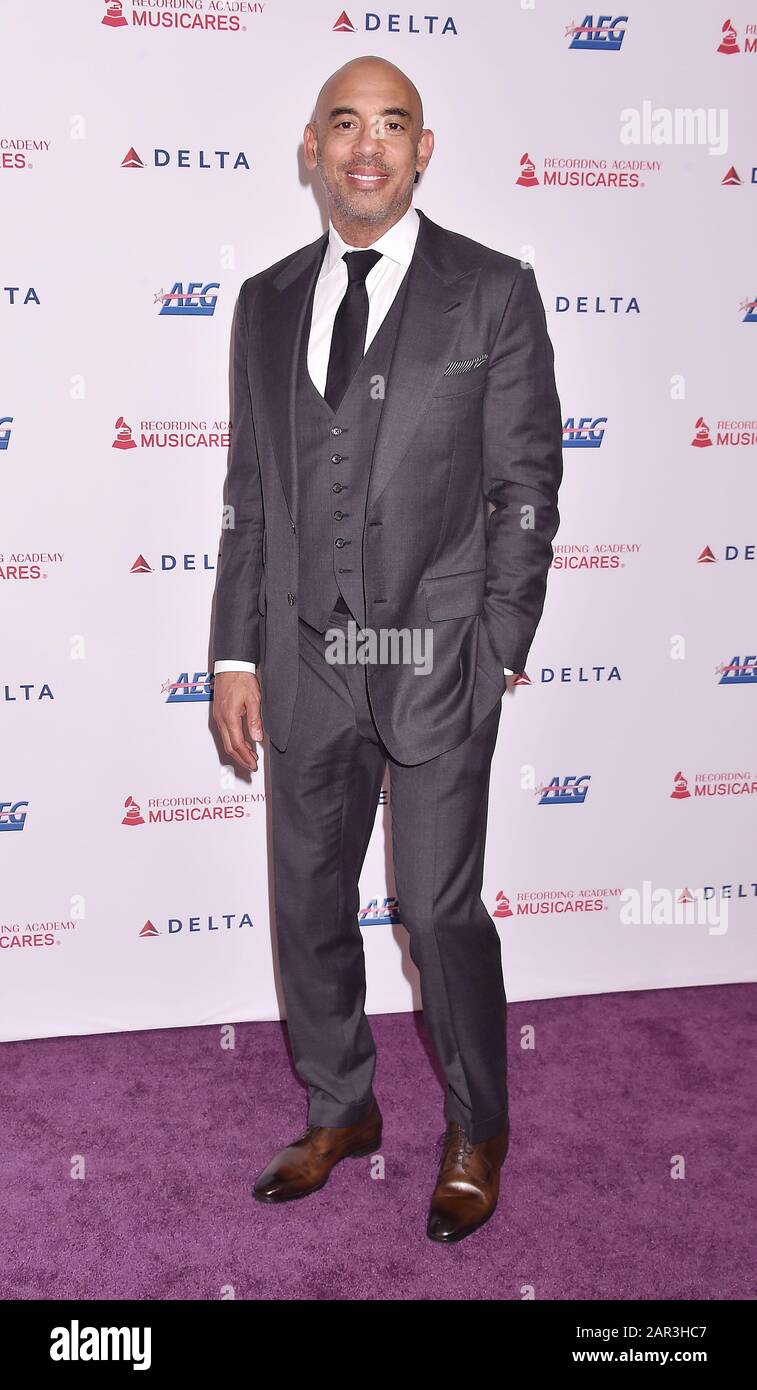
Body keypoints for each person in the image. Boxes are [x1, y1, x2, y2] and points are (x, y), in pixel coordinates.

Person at [211, 55, 563, 1243]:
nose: (366, 146)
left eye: (391, 125)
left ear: (424, 149)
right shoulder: (264, 299)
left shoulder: (493, 290)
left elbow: (524, 483)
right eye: (343, 124)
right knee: (307, 896)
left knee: (438, 910)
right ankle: (341, 1106)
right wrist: (233, 657)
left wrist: (499, 635)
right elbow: (251, 492)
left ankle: (476, 1126)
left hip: (437, 653)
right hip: (298, 655)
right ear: (310, 147)